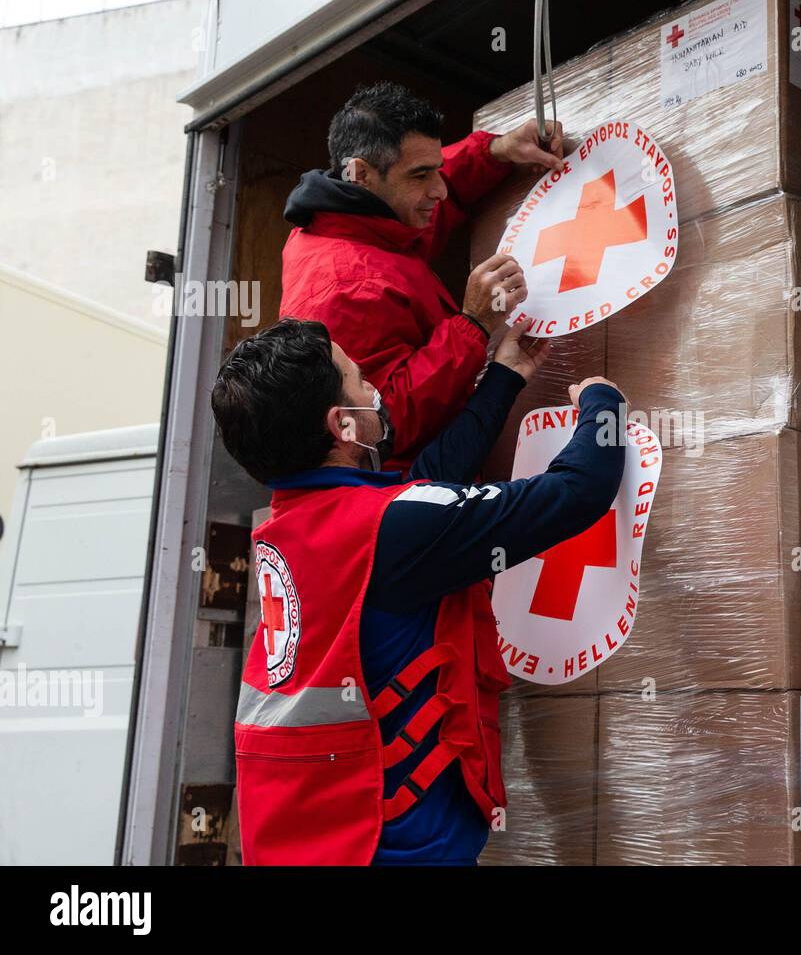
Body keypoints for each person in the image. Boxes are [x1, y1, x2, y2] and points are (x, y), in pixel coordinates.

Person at [211, 317, 625, 865]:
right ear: (345, 426)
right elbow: (576, 492)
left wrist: (502, 378)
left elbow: (425, 489)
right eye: (360, 381)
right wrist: (604, 406)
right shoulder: (391, 530)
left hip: (313, 840)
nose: (373, 391)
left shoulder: (290, 527)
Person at [280, 79, 565, 472]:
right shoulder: (344, 286)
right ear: (361, 173)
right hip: (413, 491)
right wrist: (474, 323)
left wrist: (496, 151)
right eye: (420, 175)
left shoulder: (361, 217)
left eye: (439, 170)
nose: (439, 191)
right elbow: (385, 421)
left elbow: (431, 204)